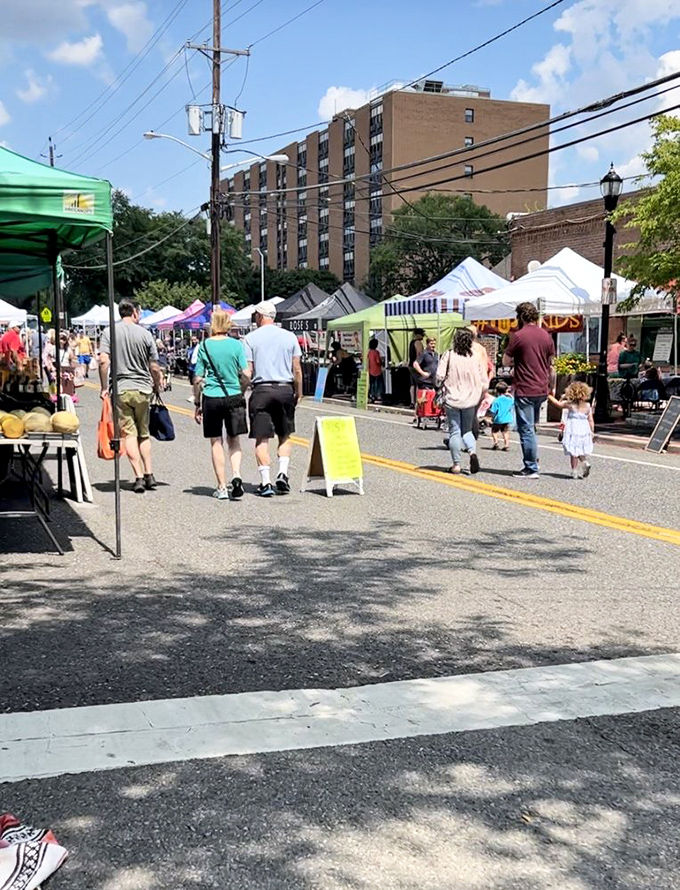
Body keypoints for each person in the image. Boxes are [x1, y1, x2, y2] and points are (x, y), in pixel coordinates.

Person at [99, 299, 163, 494]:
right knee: (144, 433)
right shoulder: (145, 334)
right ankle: (149, 474)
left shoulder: (109, 332)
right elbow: (154, 366)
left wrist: (104, 387)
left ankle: (137, 477)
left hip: (121, 389)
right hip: (143, 389)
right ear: (135, 312)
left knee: (129, 434)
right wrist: (157, 384)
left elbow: (103, 361)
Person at [244, 300, 303, 497]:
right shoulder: (289, 337)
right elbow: (297, 369)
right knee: (285, 434)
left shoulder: (250, 339)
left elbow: (248, 371)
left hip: (261, 390)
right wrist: (299, 391)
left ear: (260, 316)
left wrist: (242, 389)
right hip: (285, 389)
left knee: (262, 438)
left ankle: (266, 482)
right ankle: (282, 474)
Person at [193, 310, 251, 501]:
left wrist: (196, 402)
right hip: (234, 395)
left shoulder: (204, 346)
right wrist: (241, 390)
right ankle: (236, 475)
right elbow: (247, 374)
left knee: (216, 441)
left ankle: (221, 487)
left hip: (211, 396)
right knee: (234, 440)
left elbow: (198, 378)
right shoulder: (236, 345)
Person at [503, 302, 555, 479]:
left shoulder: (518, 336)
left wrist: (516, 362)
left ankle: (531, 467)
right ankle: (533, 459)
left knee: (526, 429)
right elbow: (551, 365)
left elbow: (505, 361)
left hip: (525, 387)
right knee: (531, 427)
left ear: (521, 317)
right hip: (541, 387)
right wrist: (551, 386)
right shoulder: (546, 336)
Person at [436, 327, 488, 475]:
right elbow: (484, 382)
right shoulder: (476, 357)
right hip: (470, 399)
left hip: (452, 399)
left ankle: (456, 464)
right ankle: (472, 452)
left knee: (454, 432)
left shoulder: (449, 355)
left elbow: (439, 376)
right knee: (467, 430)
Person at [548, 381, 594, 480]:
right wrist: (592, 431)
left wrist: (548, 395)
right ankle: (585, 461)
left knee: (573, 450)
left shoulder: (570, 405)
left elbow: (557, 404)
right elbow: (590, 419)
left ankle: (574, 471)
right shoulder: (587, 406)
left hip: (573, 428)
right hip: (584, 428)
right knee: (580, 448)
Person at [489, 381, 514, 451]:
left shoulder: (496, 400)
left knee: (494, 431)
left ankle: (496, 443)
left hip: (498, 419)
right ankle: (506, 444)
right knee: (505, 431)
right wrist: (509, 394)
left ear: (497, 391)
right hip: (507, 419)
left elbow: (493, 410)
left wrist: (492, 418)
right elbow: (513, 400)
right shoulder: (509, 400)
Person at [408, 328, 425, 408]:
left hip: (411, 365)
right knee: (419, 383)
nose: (423, 336)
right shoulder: (418, 342)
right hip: (416, 365)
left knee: (412, 384)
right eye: (422, 334)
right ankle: (418, 401)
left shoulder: (411, 342)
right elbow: (419, 354)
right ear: (417, 334)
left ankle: (412, 401)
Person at [367, 337, 384, 403]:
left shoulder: (369, 352)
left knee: (372, 384)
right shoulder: (376, 352)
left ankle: (372, 395)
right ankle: (378, 396)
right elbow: (378, 361)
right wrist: (381, 361)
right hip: (377, 370)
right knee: (378, 384)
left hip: (370, 370)